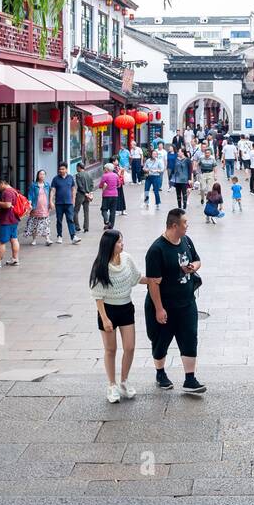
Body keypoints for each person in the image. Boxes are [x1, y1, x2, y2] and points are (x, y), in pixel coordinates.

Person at [142, 208, 207, 394]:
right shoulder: (156, 250)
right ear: (174, 225)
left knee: (189, 338)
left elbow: (197, 260)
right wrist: (159, 309)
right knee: (161, 340)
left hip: (186, 302)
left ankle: (190, 379)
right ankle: (160, 373)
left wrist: (193, 267)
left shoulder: (186, 240)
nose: (188, 225)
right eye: (185, 223)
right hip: (165, 304)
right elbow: (153, 283)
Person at [90, 229, 141, 403]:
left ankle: (124, 381)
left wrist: (152, 280)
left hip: (126, 307)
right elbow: (97, 295)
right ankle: (111, 385)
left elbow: (136, 277)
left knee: (130, 347)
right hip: (108, 310)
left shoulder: (127, 258)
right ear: (110, 245)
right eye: (119, 241)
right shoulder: (100, 265)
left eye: (122, 240)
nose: (122, 244)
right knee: (110, 350)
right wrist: (104, 318)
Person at [0, 176, 20, 267]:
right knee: (14, 239)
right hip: (14, 218)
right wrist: (0, 212)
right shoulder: (14, 190)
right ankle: (15, 259)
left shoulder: (7, 192)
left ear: (3, 183)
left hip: (6, 220)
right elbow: (11, 207)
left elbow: (7, 205)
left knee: (1, 241)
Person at [50, 163, 81, 243]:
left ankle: (73, 236)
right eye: (60, 169)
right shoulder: (55, 179)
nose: (61, 170)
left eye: (63, 169)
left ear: (66, 169)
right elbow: (53, 190)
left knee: (70, 219)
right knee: (59, 220)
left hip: (69, 203)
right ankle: (59, 236)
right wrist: (51, 201)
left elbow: (73, 189)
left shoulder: (70, 178)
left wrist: (73, 199)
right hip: (59, 203)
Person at [24, 169, 52, 245]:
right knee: (34, 223)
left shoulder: (47, 185)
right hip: (36, 206)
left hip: (44, 206)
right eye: (40, 174)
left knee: (45, 223)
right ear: (38, 176)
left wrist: (50, 203)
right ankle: (34, 239)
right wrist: (29, 203)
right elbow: (30, 195)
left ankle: (47, 239)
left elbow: (50, 195)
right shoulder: (33, 185)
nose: (42, 176)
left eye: (43, 174)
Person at [99, 163, 121, 230]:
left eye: (104, 168)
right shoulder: (116, 175)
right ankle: (111, 226)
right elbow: (118, 184)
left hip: (106, 195)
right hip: (115, 195)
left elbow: (100, 185)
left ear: (107, 169)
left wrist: (104, 187)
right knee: (113, 211)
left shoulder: (104, 176)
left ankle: (106, 220)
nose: (104, 170)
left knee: (104, 209)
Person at [143, 142, 165, 209]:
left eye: (156, 154)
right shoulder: (148, 160)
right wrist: (146, 170)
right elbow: (144, 168)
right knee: (146, 190)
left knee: (156, 191)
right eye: (153, 154)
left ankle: (157, 203)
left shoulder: (159, 161)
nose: (155, 155)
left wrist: (156, 170)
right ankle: (146, 203)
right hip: (149, 177)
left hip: (156, 177)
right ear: (151, 154)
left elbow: (162, 169)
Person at [74, 162, 94, 234]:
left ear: (79, 167)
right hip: (88, 194)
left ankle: (77, 226)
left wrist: (85, 193)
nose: (76, 169)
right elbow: (92, 184)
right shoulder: (89, 174)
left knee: (76, 211)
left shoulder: (78, 175)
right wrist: (90, 193)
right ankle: (86, 227)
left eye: (77, 167)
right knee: (86, 211)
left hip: (80, 194)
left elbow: (80, 186)